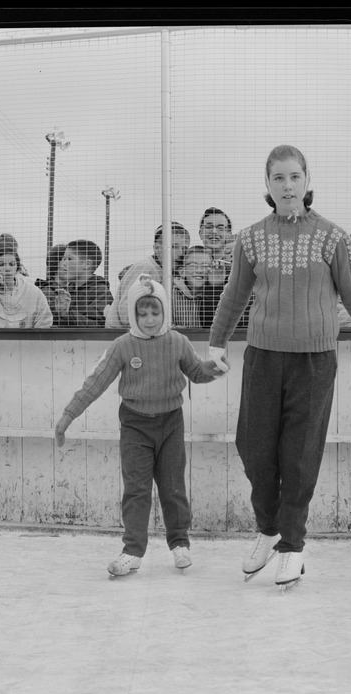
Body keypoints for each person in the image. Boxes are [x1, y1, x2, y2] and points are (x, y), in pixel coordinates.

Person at [207, 144, 351, 588]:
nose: (287, 186)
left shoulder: (332, 236)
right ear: (266, 186)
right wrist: (216, 343)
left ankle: (293, 546)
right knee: (253, 448)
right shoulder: (250, 237)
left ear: (307, 180)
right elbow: (234, 295)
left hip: (313, 360)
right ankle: (269, 530)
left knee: (300, 455)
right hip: (263, 357)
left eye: (294, 177)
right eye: (277, 179)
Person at [54, 275, 223, 576]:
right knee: (136, 489)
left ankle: (179, 544)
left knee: (173, 487)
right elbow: (96, 382)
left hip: (171, 422)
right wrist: (68, 416)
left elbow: (197, 372)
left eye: (154, 313)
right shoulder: (123, 345)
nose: (148, 320)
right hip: (134, 425)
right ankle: (132, 551)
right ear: (132, 314)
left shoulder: (177, 342)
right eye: (142, 313)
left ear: (165, 312)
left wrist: (215, 369)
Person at [107, 222, 190, 328]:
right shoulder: (146, 268)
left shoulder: (171, 273)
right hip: (121, 336)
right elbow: (127, 315)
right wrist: (167, 327)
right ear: (157, 249)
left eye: (185, 248)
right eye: (173, 247)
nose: (181, 253)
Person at [54, 240, 112, 327]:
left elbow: (99, 325)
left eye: (69, 259)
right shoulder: (66, 291)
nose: (63, 263)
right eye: (63, 259)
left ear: (87, 264)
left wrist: (66, 315)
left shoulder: (100, 291)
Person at [172, 245, 220, 328]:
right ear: (182, 272)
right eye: (193, 265)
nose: (199, 270)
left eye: (205, 266)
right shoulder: (170, 296)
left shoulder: (220, 294)